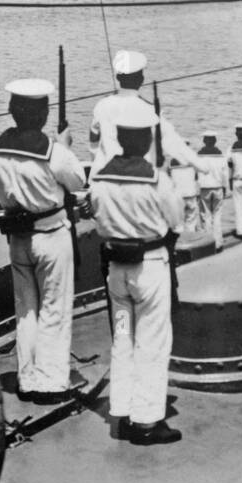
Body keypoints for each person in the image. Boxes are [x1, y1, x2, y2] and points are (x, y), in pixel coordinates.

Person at [88, 99, 183, 446]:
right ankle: (147, 422)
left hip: (117, 274)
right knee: (152, 342)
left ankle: (123, 414)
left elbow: (96, 216)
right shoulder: (157, 179)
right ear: (145, 141)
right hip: (149, 270)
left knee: (123, 339)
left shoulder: (98, 177)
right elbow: (176, 220)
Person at [0, 78, 86, 404]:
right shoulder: (54, 152)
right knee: (54, 309)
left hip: (18, 238)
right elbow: (76, 180)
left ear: (12, 110)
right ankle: (52, 383)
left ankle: (27, 378)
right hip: (51, 235)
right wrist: (66, 145)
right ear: (43, 113)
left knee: (26, 311)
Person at [89, 50, 210, 174]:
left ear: (118, 77)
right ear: (141, 79)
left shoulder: (101, 105)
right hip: (140, 177)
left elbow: (93, 139)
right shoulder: (150, 111)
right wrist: (203, 167)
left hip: (104, 177)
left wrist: (95, 160)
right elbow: (175, 144)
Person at [194, 131, 227, 250]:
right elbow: (225, 174)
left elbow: (196, 175)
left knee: (205, 216)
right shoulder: (220, 155)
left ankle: (208, 243)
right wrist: (225, 187)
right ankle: (218, 242)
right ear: (215, 141)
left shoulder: (199, 155)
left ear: (204, 141)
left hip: (204, 188)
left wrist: (196, 190)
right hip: (218, 187)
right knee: (217, 216)